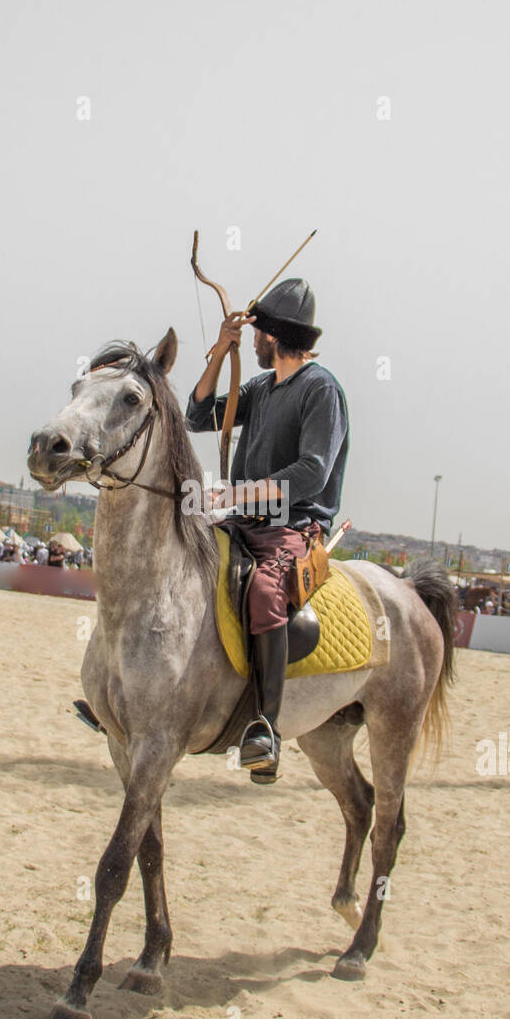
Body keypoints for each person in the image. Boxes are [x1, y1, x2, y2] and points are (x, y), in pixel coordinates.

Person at [185, 276, 349, 781]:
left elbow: (311, 472)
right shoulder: (259, 386)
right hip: (241, 522)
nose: (252, 340)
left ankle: (266, 728)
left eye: (256, 332)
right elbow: (198, 417)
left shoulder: (321, 389)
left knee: (262, 588)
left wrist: (240, 493)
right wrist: (219, 353)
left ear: (274, 336)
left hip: (292, 526)